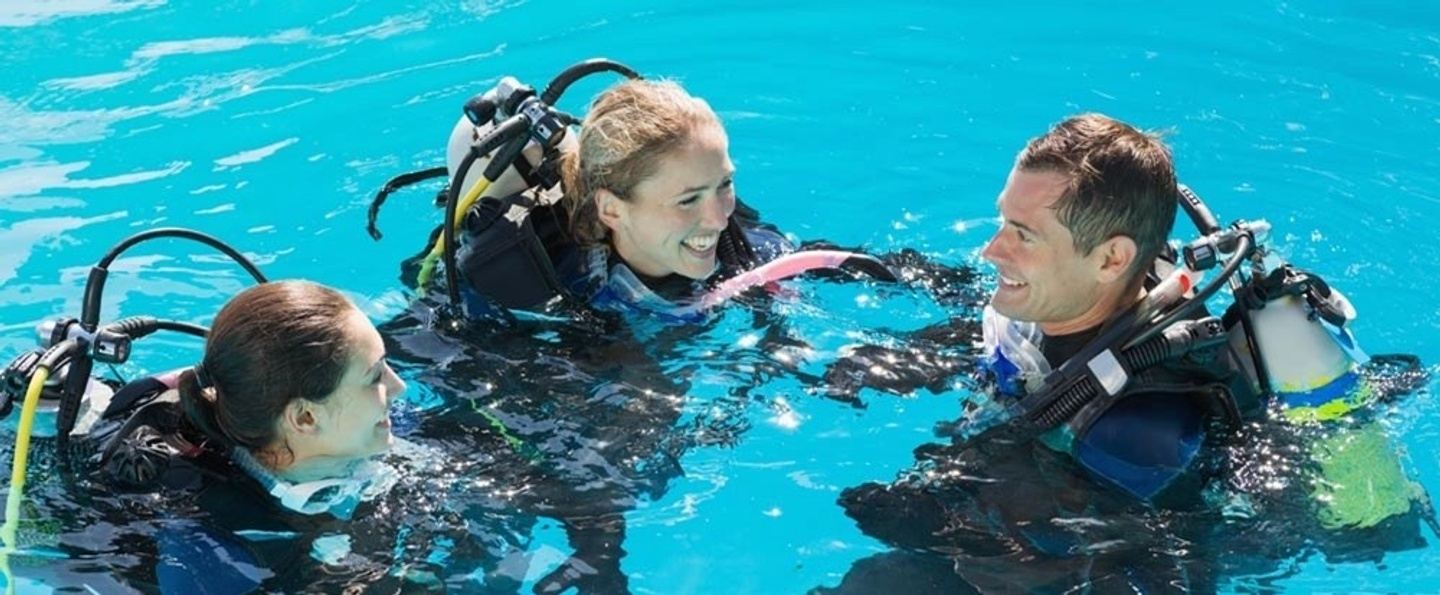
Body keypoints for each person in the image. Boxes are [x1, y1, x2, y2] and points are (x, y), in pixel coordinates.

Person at [824, 113, 1432, 592]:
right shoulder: (1085, 301)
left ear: (1112, 258)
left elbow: (1132, 561)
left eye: (1023, 235)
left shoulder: (1141, 437)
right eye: (1002, 222)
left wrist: (952, 527)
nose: (990, 250)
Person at [444, 78, 794, 324]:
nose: (718, 218)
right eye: (687, 201)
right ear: (611, 209)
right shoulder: (551, 291)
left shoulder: (730, 235)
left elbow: (830, 262)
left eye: (724, 184)